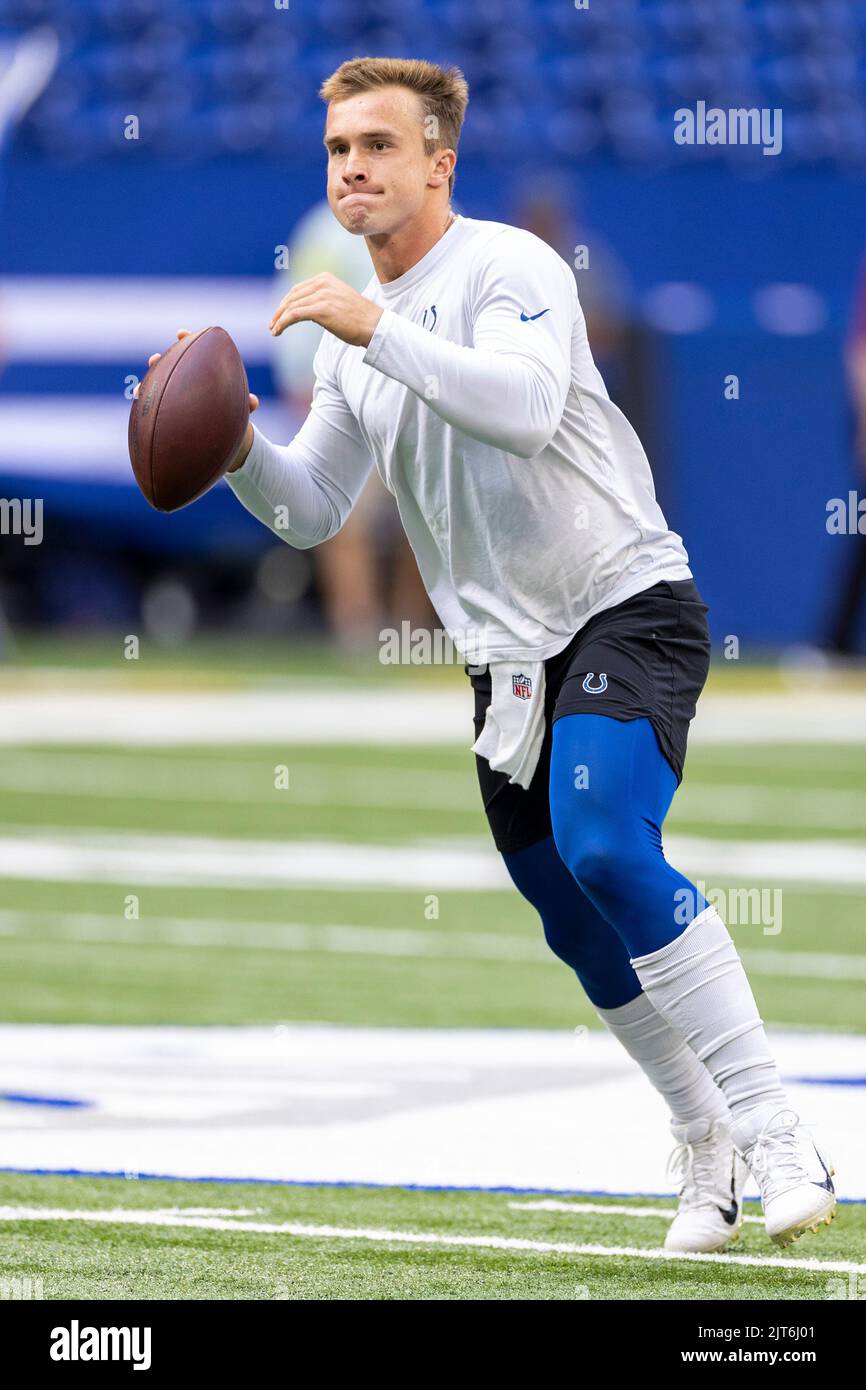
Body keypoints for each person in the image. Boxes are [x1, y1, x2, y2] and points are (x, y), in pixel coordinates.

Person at [143, 57, 835, 1253]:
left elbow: (515, 404)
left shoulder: (509, 266)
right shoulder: (353, 344)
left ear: (436, 162)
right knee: (569, 916)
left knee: (607, 844)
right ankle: (700, 1140)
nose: (352, 169)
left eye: (377, 147)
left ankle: (774, 1127)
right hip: (505, 658)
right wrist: (237, 447)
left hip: (623, 599)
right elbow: (316, 511)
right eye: (336, 152)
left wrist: (375, 324)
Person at [271, 200, 433, 649]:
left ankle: (409, 632)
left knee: (429, 515)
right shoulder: (327, 232)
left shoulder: (442, 220)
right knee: (344, 516)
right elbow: (300, 303)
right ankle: (358, 630)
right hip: (348, 395)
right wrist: (303, 379)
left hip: (419, 394)